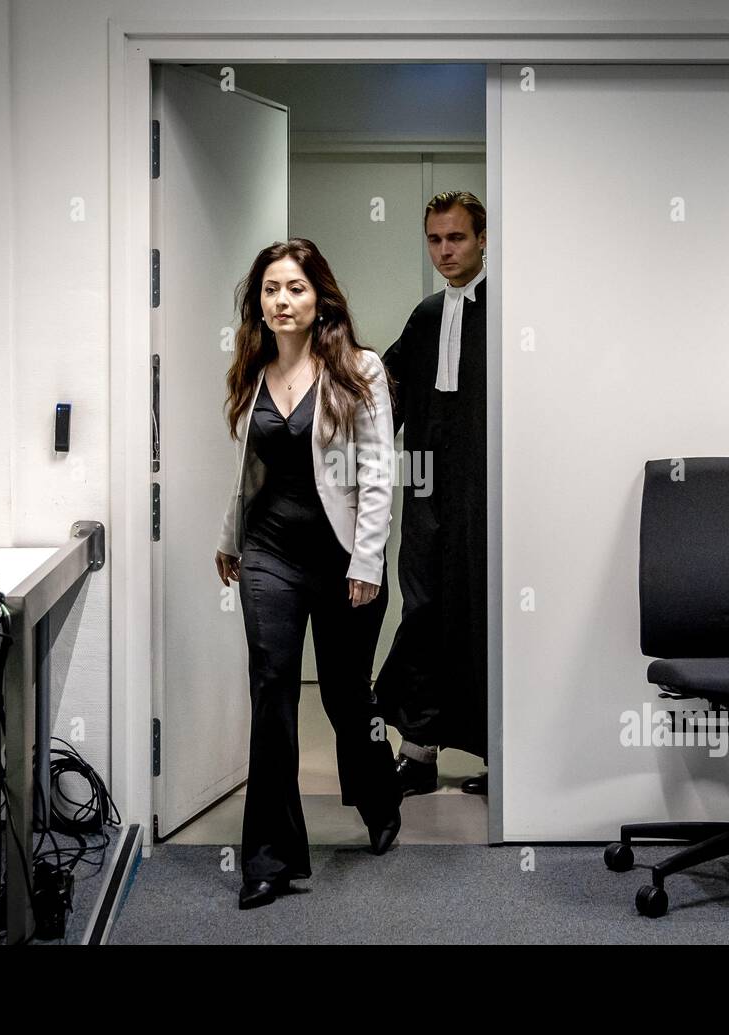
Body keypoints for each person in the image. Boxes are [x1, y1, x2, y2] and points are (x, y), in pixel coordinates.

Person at [214, 238, 402, 910]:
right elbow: (246, 470)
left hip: (340, 556)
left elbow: (379, 473)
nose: (282, 300)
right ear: (258, 302)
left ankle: (379, 794)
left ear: (319, 295)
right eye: (270, 289)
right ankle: (269, 858)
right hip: (269, 556)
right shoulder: (251, 367)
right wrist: (230, 537)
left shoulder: (360, 369)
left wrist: (368, 559)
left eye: (294, 287)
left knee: (347, 697)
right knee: (272, 689)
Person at [374, 190, 489, 797]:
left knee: (482, 617)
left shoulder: (505, 315)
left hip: (484, 499)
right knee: (420, 614)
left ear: (482, 240)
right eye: (435, 240)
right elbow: (383, 395)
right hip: (424, 492)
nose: (444, 251)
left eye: (457, 238)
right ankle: (417, 755)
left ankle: (501, 759)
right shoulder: (423, 317)